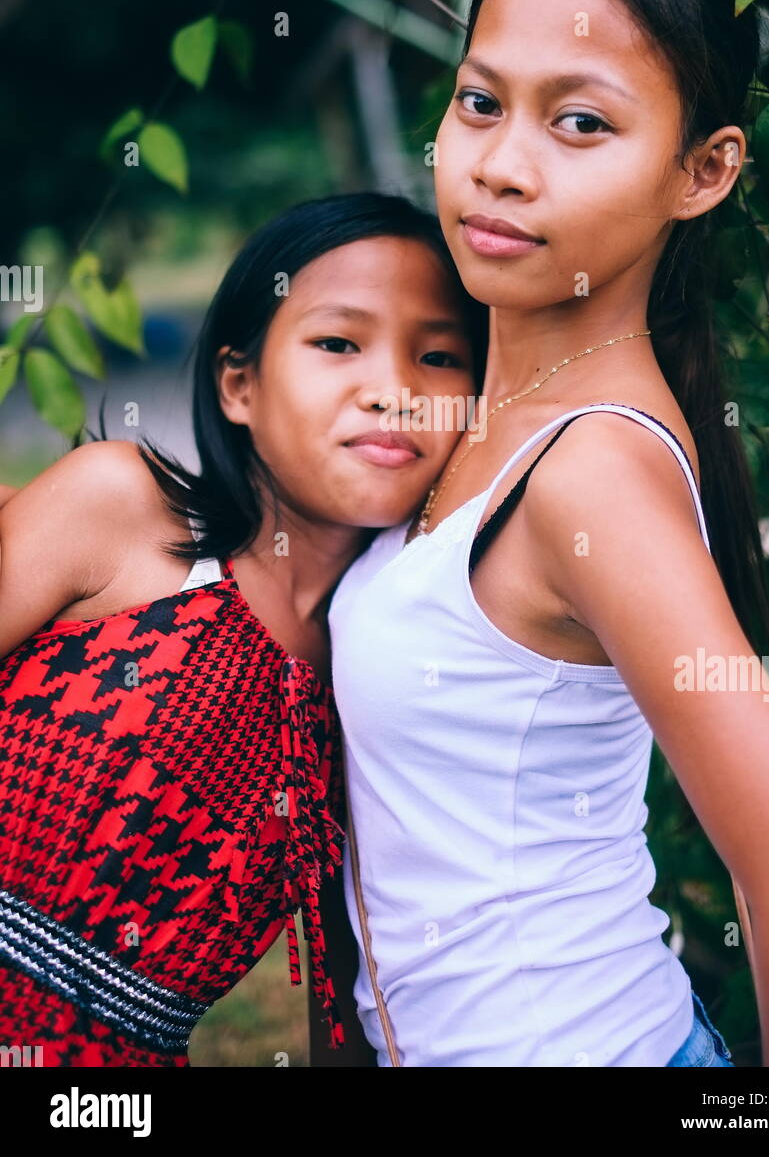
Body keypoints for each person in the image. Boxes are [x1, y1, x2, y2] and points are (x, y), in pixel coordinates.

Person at [325, 0, 769, 1067]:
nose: (500, 168)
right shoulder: (486, 404)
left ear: (705, 169)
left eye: (578, 122)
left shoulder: (591, 474)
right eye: (479, 102)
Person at [0, 192, 483, 1066]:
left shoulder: (378, 674)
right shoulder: (120, 512)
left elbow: (347, 982)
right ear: (239, 385)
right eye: (338, 342)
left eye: (441, 355)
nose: (395, 391)